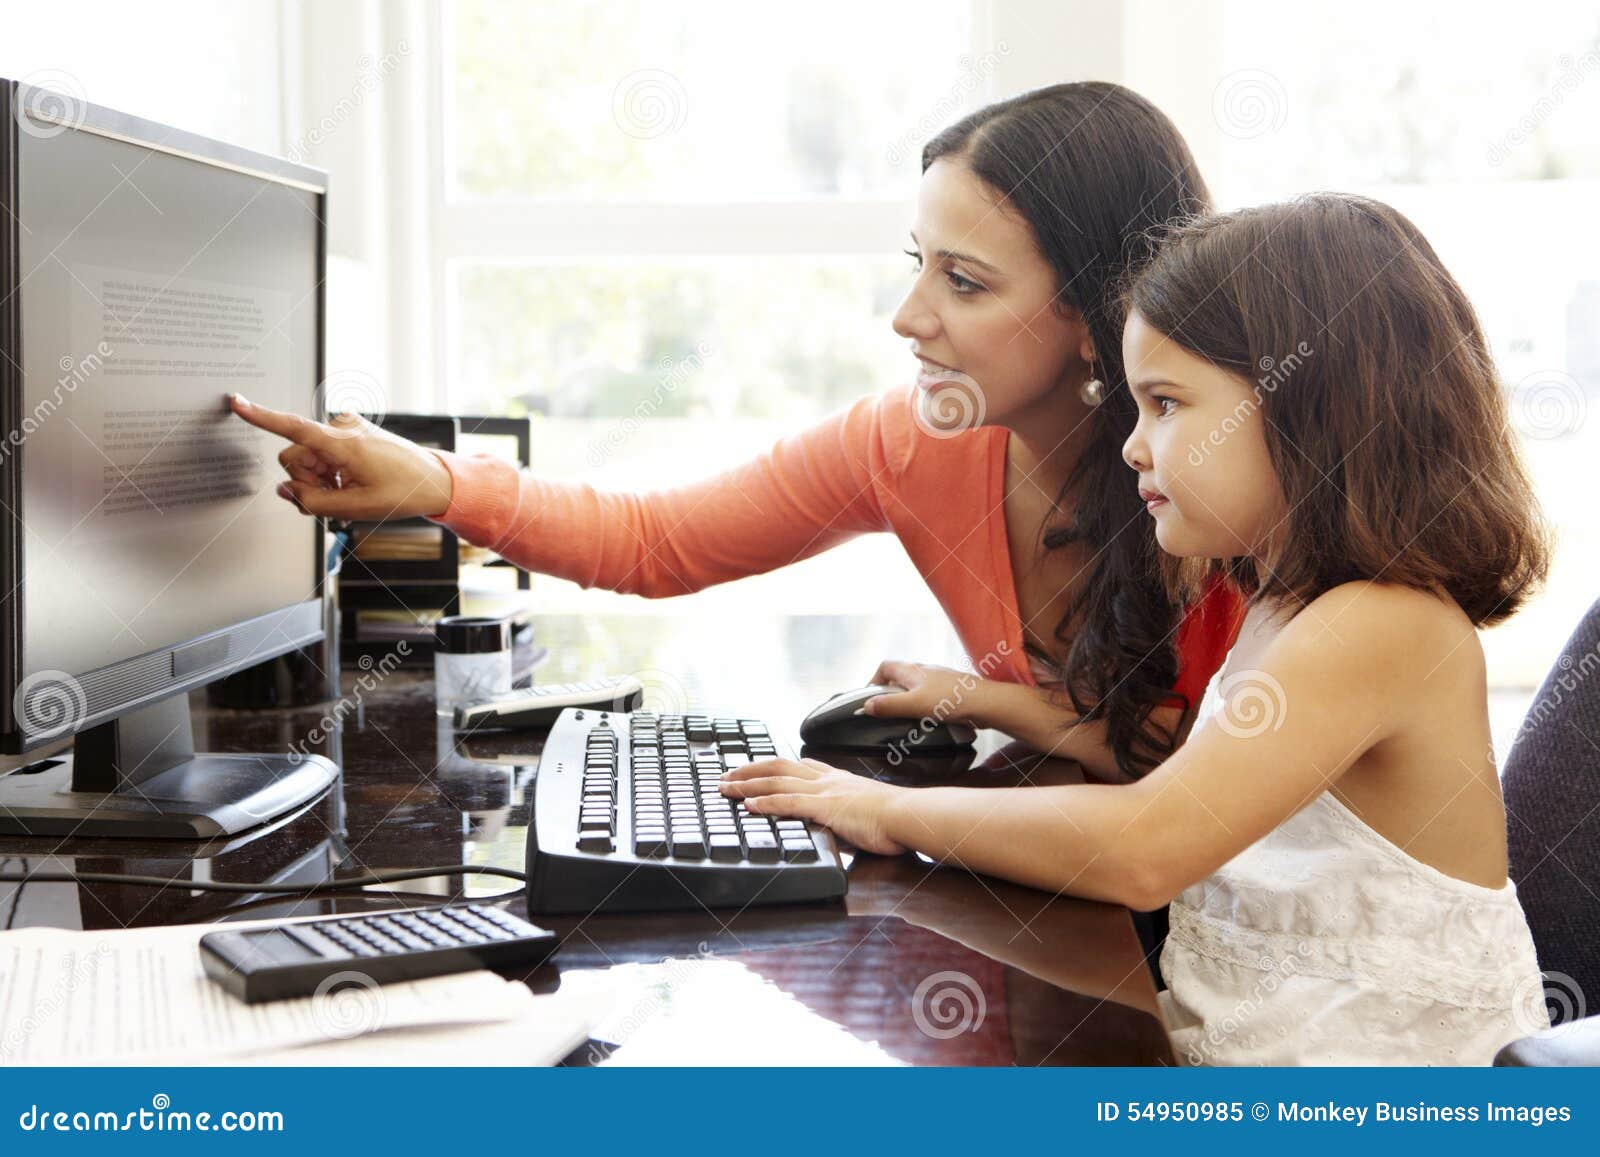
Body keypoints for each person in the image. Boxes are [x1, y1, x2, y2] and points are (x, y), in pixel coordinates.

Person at [722, 193, 1553, 1065]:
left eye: (1165, 403)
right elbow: (1186, 773)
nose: (1132, 444)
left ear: (1309, 405)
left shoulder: (1380, 626)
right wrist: (1003, 706)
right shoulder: (1285, 599)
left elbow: (1148, 845)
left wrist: (887, 809)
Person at [232, 81, 1245, 781]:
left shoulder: (1224, 477)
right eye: (916, 260)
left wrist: (986, 702)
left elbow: (1201, 766)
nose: (907, 315)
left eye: (963, 280)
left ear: (1095, 312)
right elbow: (655, 540)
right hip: (1077, 884)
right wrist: (431, 482)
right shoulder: (913, 441)